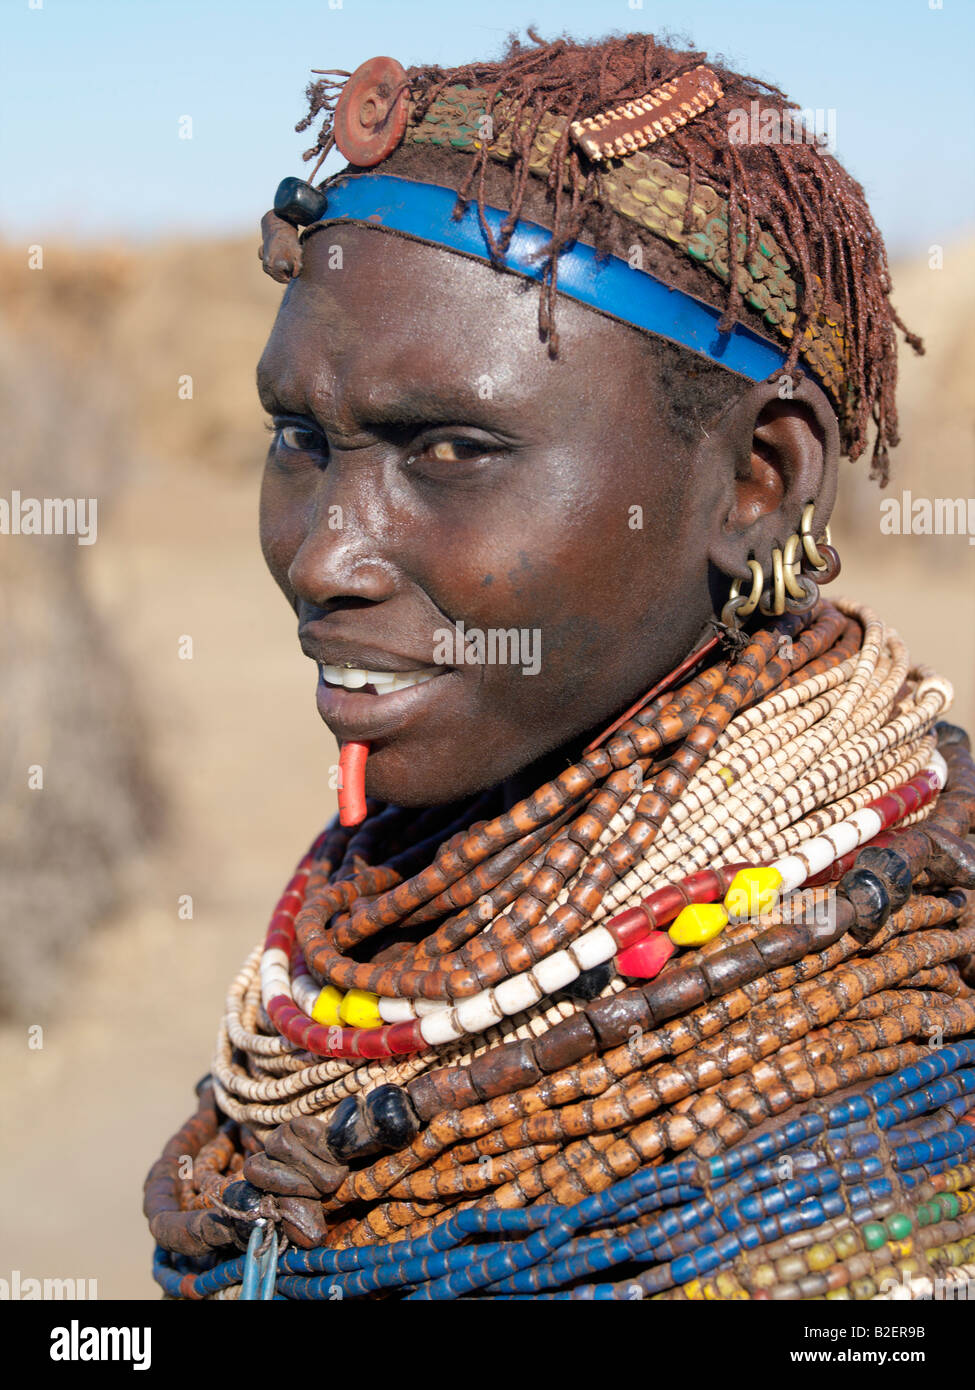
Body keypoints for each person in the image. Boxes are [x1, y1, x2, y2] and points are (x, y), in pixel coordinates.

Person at [145, 30, 975, 1302]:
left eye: (450, 451)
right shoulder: (421, 856)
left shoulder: (895, 1131)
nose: (322, 557)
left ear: (759, 480)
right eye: (300, 437)